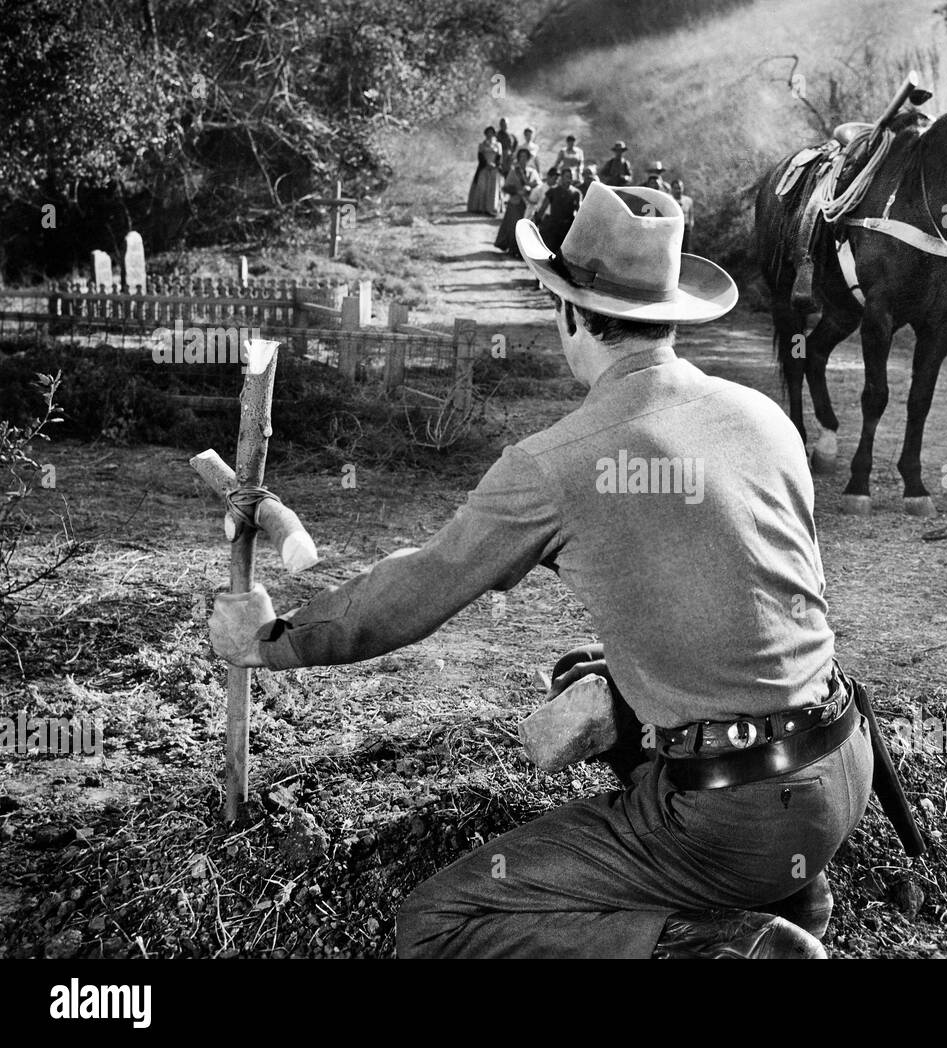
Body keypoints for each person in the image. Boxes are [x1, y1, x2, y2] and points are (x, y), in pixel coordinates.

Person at [208, 182, 876, 959]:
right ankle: (792, 886)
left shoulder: (555, 462)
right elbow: (767, 602)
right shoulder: (761, 415)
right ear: (668, 315)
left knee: (433, 925)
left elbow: (414, 592)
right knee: (584, 673)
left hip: (734, 813)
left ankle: (725, 943)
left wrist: (272, 637)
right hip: (840, 759)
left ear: (568, 313)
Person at [496, 148, 541, 256]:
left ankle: (523, 252)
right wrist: (517, 191)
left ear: (528, 159)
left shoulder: (533, 172)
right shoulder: (513, 171)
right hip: (516, 202)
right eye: (521, 157)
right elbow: (506, 187)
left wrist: (530, 187)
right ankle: (513, 249)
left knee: (526, 228)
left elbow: (539, 185)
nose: (523, 159)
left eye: (525, 157)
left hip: (528, 203)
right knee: (514, 226)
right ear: (518, 158)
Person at [537, 166, 582, 253]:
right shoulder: (553, 191)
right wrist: (537, 221)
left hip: (568, 227)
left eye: (571, 177)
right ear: (561, 177)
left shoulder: (576, 193)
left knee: (564, 253)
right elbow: (543, 207)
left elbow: (579, 212)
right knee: (551, 251)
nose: (569, 179)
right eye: (567, 176)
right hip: (554, 226)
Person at [467, 126, 503, 216]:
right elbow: (480, 157)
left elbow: (499, 157)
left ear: (494, 134)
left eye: (491, 132)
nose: (490, 134)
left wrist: (495, 164)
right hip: (484, 168)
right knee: (482, 187)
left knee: (493, 188)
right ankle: (480, 208)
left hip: (494, 169)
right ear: (485, 134)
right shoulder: (481, 145)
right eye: (488, 133)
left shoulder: (498, 145)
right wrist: (486, 164)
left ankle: (492, 208)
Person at [671, 179, 694, 253]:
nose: (678, 190)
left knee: (686, 250)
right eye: (676, 188)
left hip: (686, 228)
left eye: (679, 188)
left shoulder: (688, 200)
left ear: (683, 188)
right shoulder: (669, 200)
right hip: (673, 228)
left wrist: (690, 226)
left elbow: (691, 215)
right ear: (672, 189)